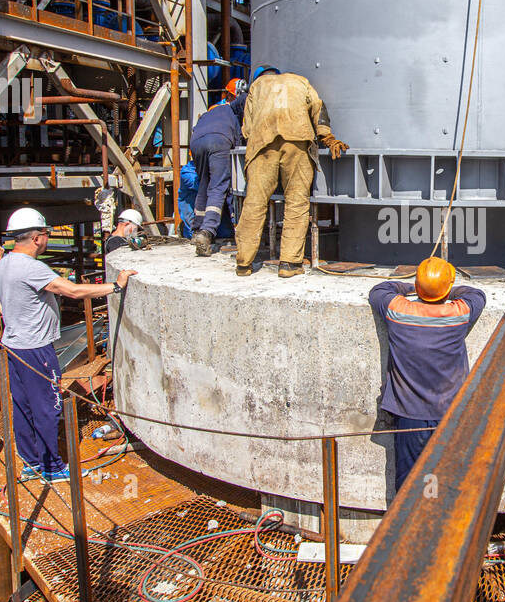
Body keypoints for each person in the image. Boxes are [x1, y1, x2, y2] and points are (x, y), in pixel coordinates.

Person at [0, 208, 136, 482]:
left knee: (23, 406)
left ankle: (31, 463)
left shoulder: (5, 263)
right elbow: (73, 290)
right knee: (48, 406)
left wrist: (11, 314)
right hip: (37, 350)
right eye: (45, 234)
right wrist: (115, 286)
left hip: (14, 345)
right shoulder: (31, 267)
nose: (46, 239)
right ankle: (52, 468)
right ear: (36, 238)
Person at [368, 257, 486, 489]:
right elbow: (476, 295)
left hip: (409, 415)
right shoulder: (458, 314)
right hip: (450, 411)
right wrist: (447, 289)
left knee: (409, 485)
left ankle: (406, 524)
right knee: (448, 482)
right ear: (448, 287)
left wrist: (413, 287)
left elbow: (379, 290)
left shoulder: (398, 311)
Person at [233, 66, 348, 277]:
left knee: (255, 202)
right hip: (297, 140)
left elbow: (247, 127)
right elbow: (317, 107)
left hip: (262, 143)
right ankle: (289, 264)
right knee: (296, 201)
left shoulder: (257, 86)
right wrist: (327, 136)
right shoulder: (300, 81)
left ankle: (243, 263)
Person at [190, 86, 245, 256]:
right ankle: (207, 232)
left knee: (204, 184)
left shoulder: (214, 110)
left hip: (196, 142)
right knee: (219, 186)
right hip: (219, 141)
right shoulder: (234, 116)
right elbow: (239, 145)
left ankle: (197, 228)